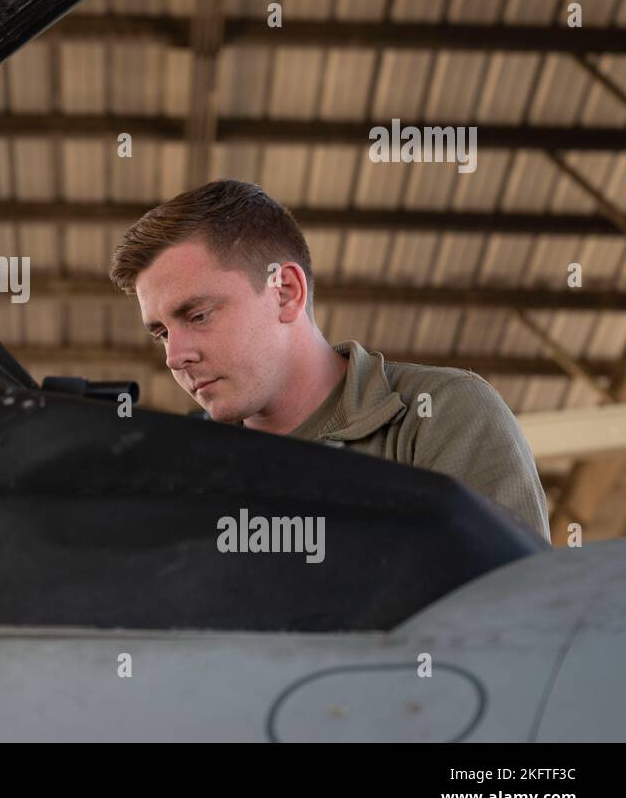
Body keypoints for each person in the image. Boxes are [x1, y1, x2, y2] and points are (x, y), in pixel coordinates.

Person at [109, 178, 551, 543]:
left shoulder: (438, 416)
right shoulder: (186, 473)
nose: (174, 356)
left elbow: (517, 622)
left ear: (285, 292)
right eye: (162, 332)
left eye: (199, 315)